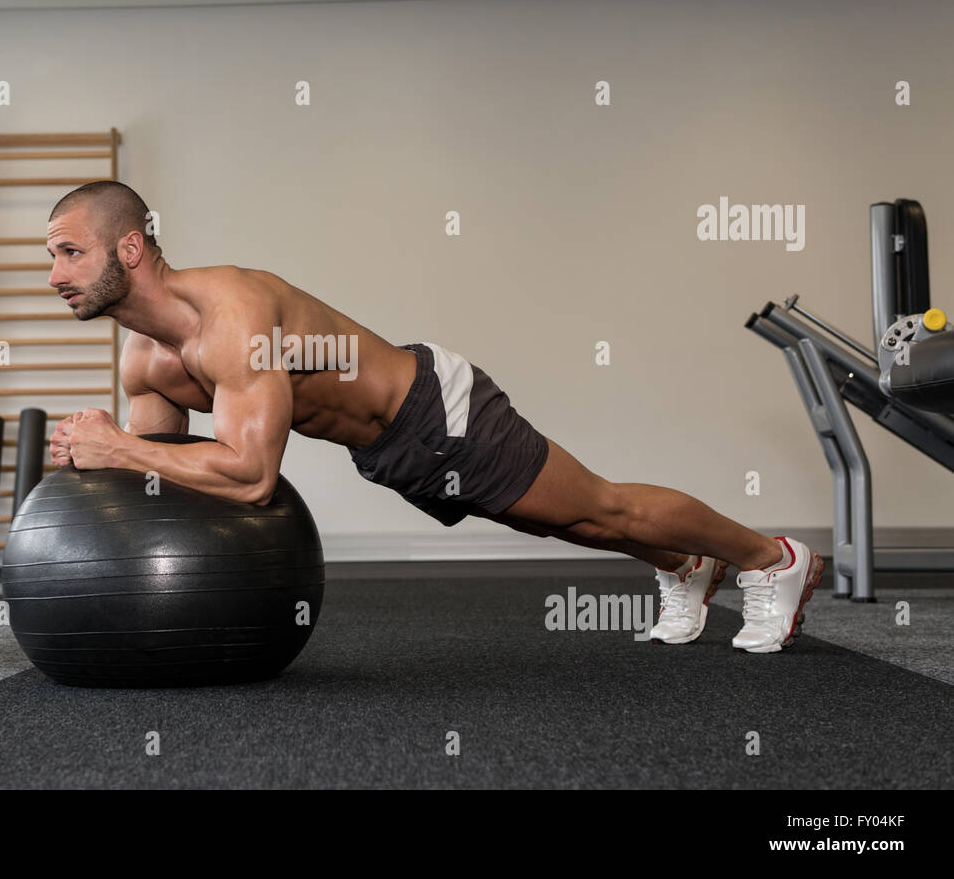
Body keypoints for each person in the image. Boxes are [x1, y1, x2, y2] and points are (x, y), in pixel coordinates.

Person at [45, 181, 823, 654]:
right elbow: (159, 493)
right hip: (386, 451)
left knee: (599, 507)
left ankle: (773, 556)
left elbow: (249, 478)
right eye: (51, 258)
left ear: (133, 247)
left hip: (431, 407)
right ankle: (685, 563)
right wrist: (99, 464)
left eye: (70, 253)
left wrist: (118, 445)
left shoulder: (232, 315)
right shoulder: (145, 359)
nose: (56, 276)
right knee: (565, 525)